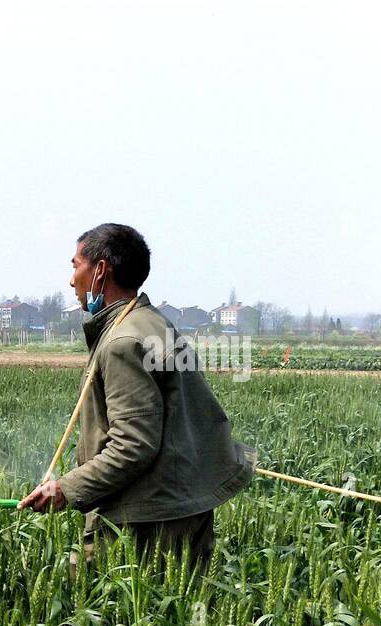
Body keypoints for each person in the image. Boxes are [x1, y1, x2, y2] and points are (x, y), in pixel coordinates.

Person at [18, 223, 255, 571]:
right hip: (184, 508)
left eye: (75, 266)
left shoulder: (121, 343)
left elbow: (133, 446)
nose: (71, 281)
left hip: (145, 520)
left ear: (100, 271)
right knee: (172, 620)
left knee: (96, 611)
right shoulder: (153, 324)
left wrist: (65, 489)